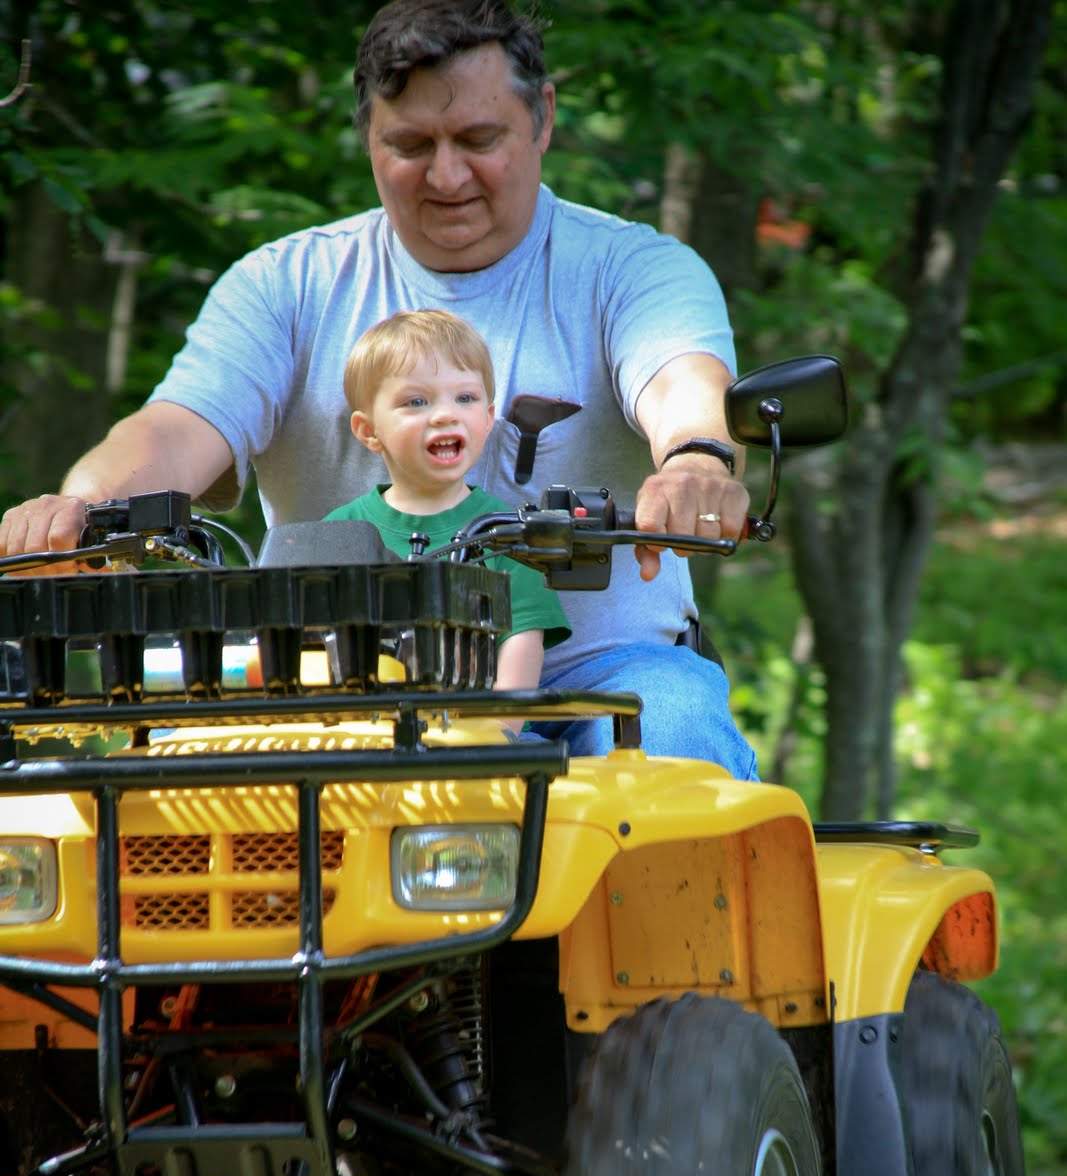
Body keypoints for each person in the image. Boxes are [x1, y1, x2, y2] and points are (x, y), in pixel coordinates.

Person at [0, 0, 757, 779]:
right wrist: (83, 511)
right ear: (367, 137)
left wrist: (696, 462)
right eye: (410, 143)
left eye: (477, 139)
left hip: (598, 678)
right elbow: (178, 427)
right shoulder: (286, 285)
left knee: (676, 741)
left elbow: (681, 380)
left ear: (543, 120)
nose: (447, 174)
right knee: (160, 784)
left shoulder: (631, 270)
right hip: (331, 683)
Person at [326, 307, 569, 712]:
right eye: (416, 401)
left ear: (488, 418)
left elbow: (522, 647)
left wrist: (495, 736)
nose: (445, 414)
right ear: (369, 431)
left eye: (465, 397)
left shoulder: (509, 535)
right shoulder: (338, 533)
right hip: (360, 741)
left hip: (479, 743)